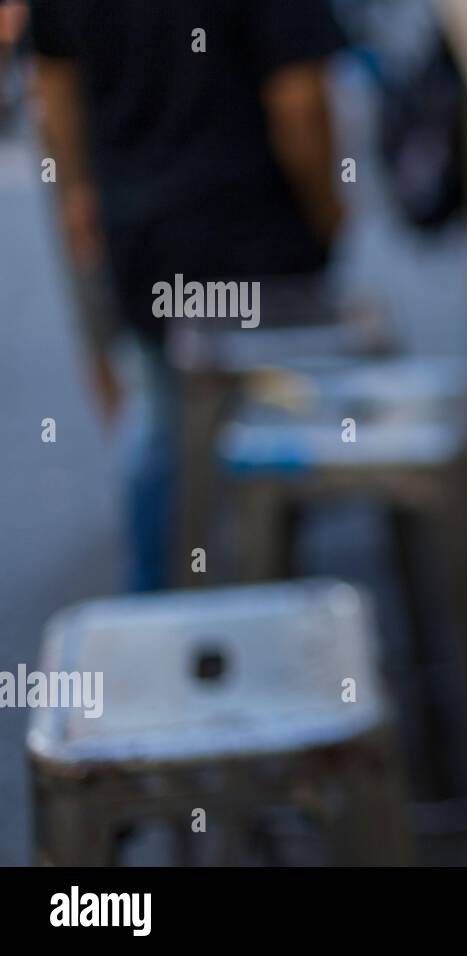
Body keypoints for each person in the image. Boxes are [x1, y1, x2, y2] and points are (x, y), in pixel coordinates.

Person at [29, 0, 347, 590]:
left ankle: (165, 596)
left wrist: (77, 192)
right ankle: (259, 590)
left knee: (163, 414)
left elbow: (53, 83)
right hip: (251, 232)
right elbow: (300, 103)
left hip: (141, 230)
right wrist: (328, 210)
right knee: (265, 409)